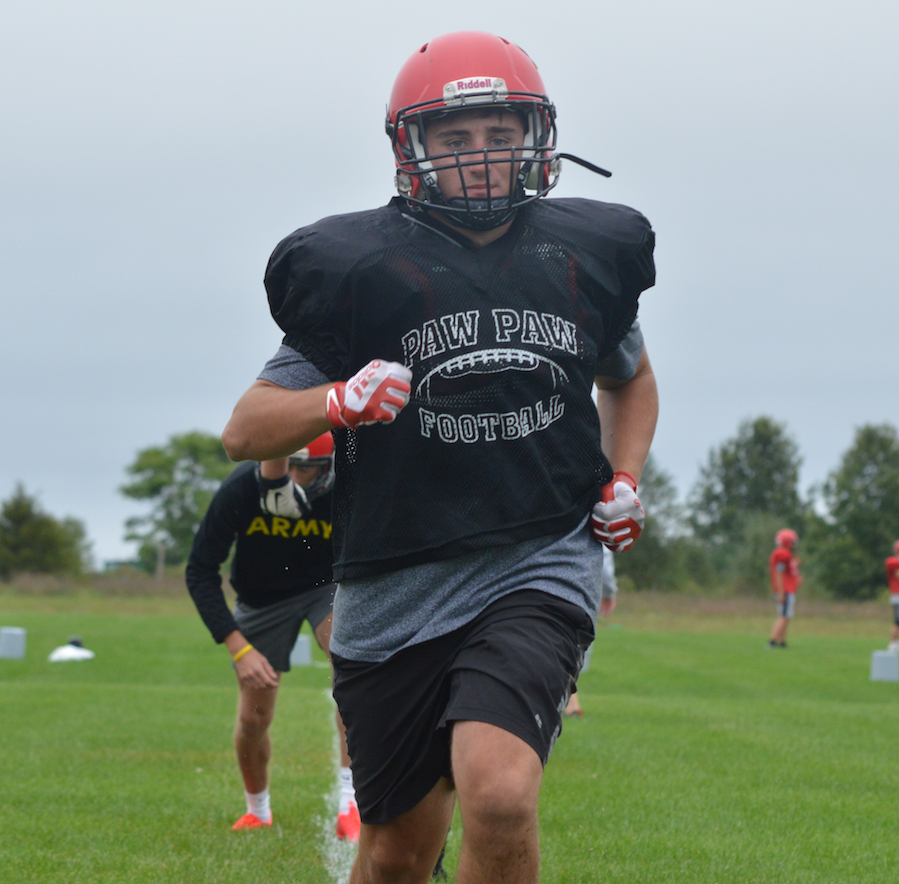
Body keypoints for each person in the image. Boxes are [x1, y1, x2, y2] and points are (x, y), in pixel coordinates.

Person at [220, 30, 659, 884]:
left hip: (538, 560)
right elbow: (246, 429)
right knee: (394, 855)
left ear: (536, 135)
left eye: (498, 133)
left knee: (499, 794)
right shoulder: (357, 269)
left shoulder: (580, 253)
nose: (480, 157)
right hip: (393, 583)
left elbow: (631, 381)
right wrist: (338, 401)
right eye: (454, 139)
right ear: (409, 148)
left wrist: (625, 476)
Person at [184, 435, 362, 840]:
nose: (295, 478)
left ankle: (351, 803)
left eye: (307, 469)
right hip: (262, 597)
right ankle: (257, 810)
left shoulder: (350, 484)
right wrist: (238, 647)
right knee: (254, 716)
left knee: (352, 672)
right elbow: (199, 570)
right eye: (288, 466)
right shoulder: (242, 486)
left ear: (329, 465)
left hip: (328, 585)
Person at [565, 546, 617, 717]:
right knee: (572, 648)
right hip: (579, 593)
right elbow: (605, 561)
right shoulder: (589, 521)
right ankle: (570, 705)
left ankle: (571, 704)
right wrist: (609, 591)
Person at [769, 529, 801, 648]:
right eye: (792, 541)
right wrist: (781, 593)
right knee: (784, 616)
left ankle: (782, 642)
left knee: (785, 616)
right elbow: (779, 574)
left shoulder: (787, 554)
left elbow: (789, 572)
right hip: (785, 590)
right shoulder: (782, 553)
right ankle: (772, 642)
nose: (794, 544)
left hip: (787, 589)